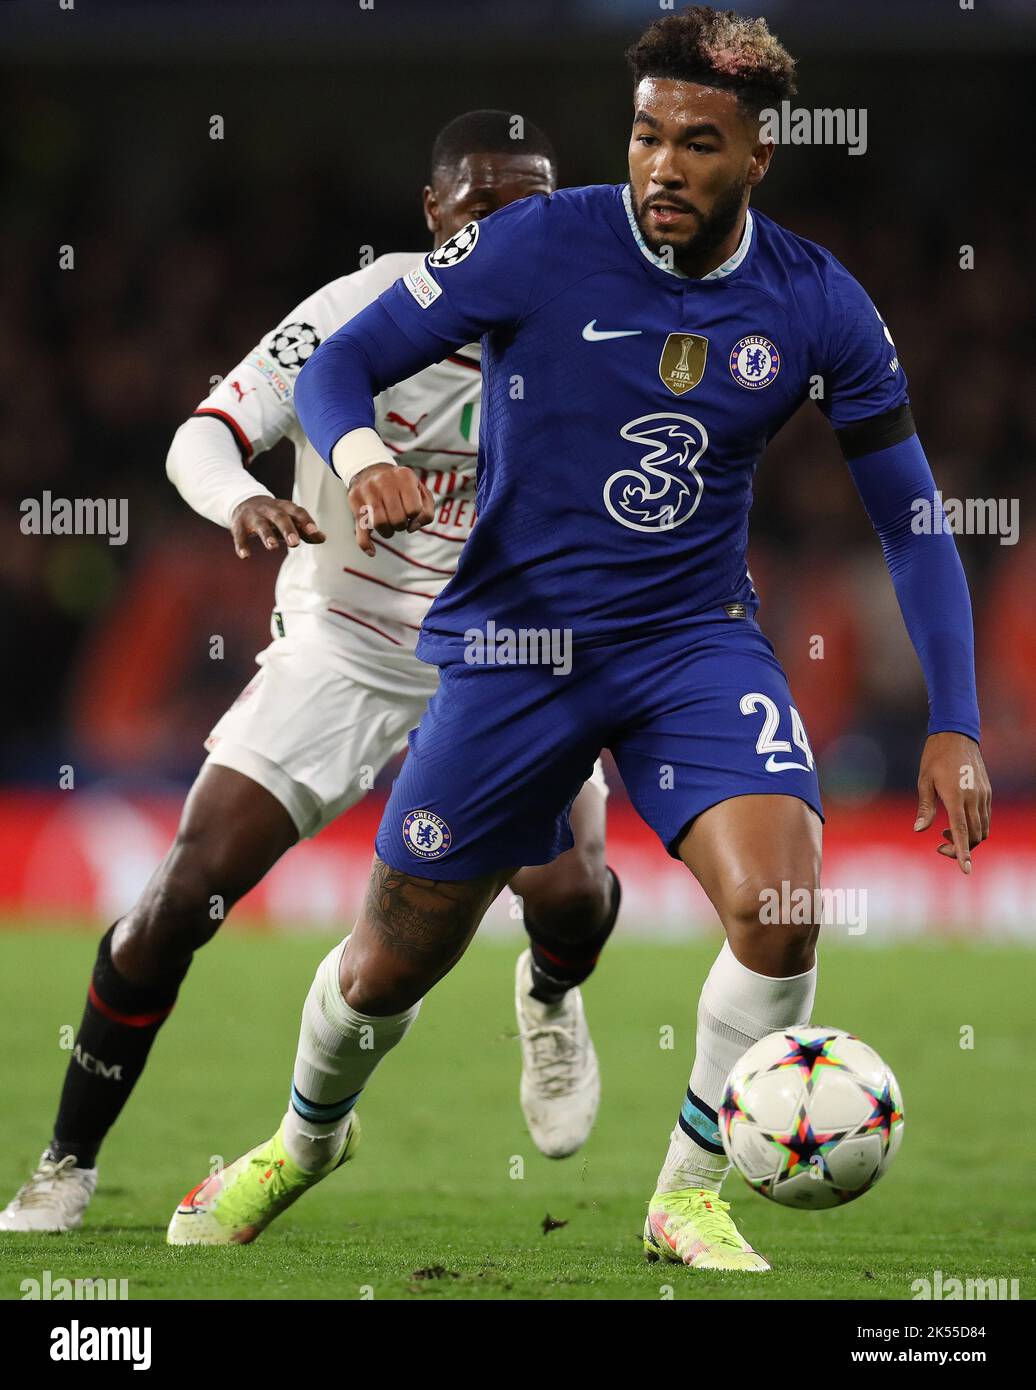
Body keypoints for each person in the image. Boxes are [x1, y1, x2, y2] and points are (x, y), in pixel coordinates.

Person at [166, 6, 990, 1272]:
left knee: (780, 911)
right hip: (510, 650)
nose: (664, 165)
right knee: (389, 964)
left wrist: (954, 721)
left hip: (689, 645)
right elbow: (340, 366)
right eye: (648, 135)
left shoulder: (818, 304)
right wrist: (365, 452)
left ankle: (684, 1193)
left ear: (757, 157)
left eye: (700, 143)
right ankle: (301, 1142)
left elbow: (913, 518)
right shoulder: (542, 243)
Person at [0, 111, 619, 1236]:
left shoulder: (590, 331)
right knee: (178, 898)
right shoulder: (355, 311)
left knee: (574, 892)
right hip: (344, 644)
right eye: (480, 206)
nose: (504, 227)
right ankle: (65, 1159)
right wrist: (240, 498)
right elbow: (205, 434)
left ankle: (548, 994)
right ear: (434, 216)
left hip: (505, 660)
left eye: (529, 207)